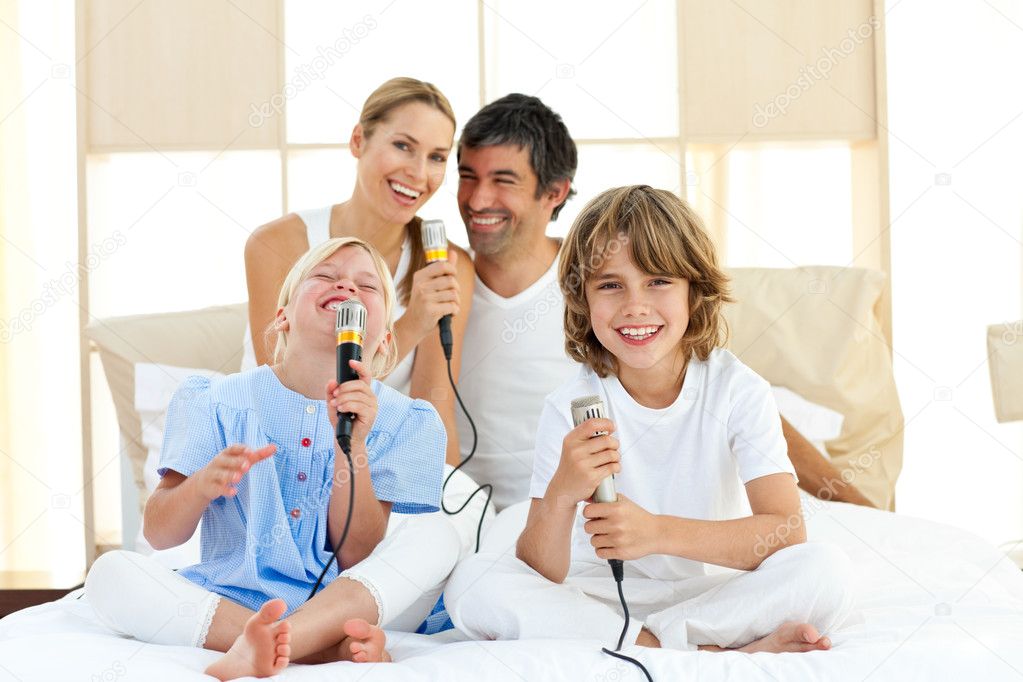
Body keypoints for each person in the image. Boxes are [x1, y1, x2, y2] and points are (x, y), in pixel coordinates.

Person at [446, 186, 853, 651]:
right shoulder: (570, 404)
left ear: (694, 292)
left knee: (826, 570)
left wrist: (655, 532)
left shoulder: (738, 391)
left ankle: (646, 644)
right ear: (583, 299)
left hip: (711, 592)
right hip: (598, 595)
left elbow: (784, 530)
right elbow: (542, 571)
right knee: (473, 583)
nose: (635, 306)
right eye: (611, 285)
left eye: (658, 281)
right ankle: (698, 652)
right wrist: (561, 493)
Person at [453, 94, 875, 510]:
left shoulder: (606, 276)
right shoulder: (444, 285)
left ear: (555, 192)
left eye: (503, 180)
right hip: (487, 515)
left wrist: (855, 503)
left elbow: (727, 401)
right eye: (467, 176)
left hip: (609, 514)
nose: (476, 200)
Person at [85, 238, 453, 679]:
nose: (347, 287)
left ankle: (281, 641)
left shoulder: (403, 420)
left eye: (367, 286)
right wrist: (201, 485)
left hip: (343, 601)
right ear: (282, 318)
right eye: (326, 276)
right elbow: (160, 535)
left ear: (385, 338)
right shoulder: (217, 400)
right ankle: (313, 649)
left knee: (438, 538)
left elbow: (357, 554)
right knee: (110, 575)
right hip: (233, 598)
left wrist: (350, 447)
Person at [244, 77, 475, 468]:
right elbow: (290, 392)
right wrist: (413, 322)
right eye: (403, 146)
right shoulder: (278, 243)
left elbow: (434, 412)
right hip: (282, 454)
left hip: (384, 463)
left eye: (437, 157)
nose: (419, 174)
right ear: (358, 141)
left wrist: (450, 506)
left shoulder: (445, 266)